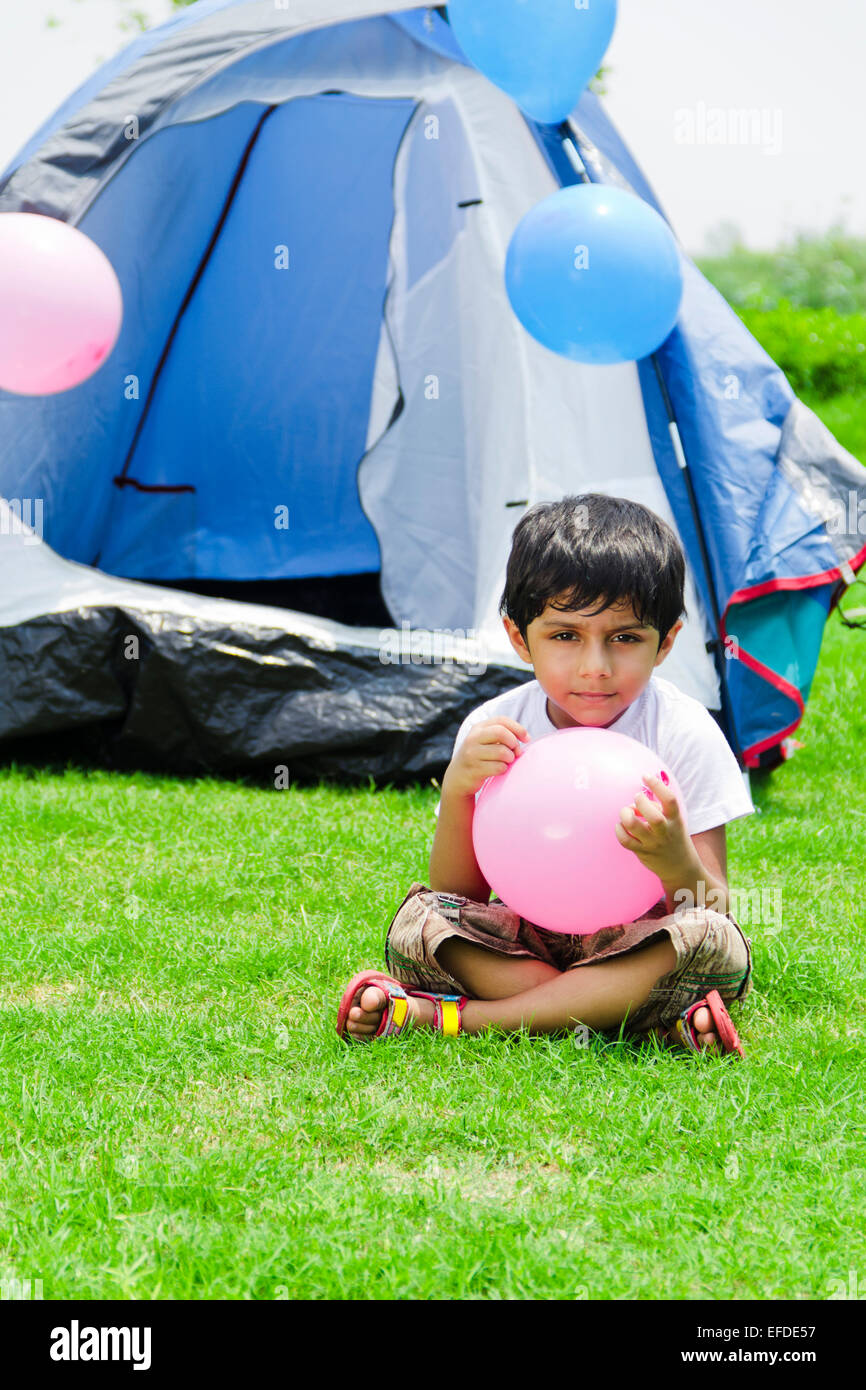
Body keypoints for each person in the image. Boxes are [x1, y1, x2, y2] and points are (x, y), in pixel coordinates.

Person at [336, 493, 755, 1056]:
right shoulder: (495, 727)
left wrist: (674, 858)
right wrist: (461, 790)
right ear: (518, 637)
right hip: (526, 944)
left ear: (667, 643)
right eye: (564, 636)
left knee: (712, 939)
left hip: (640, 940)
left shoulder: (682, 732)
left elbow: (713, 905)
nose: (595, 667)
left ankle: (456, 1021)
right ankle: (636, 1017)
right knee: (419, 920)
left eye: (625, 638)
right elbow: (459, 895)